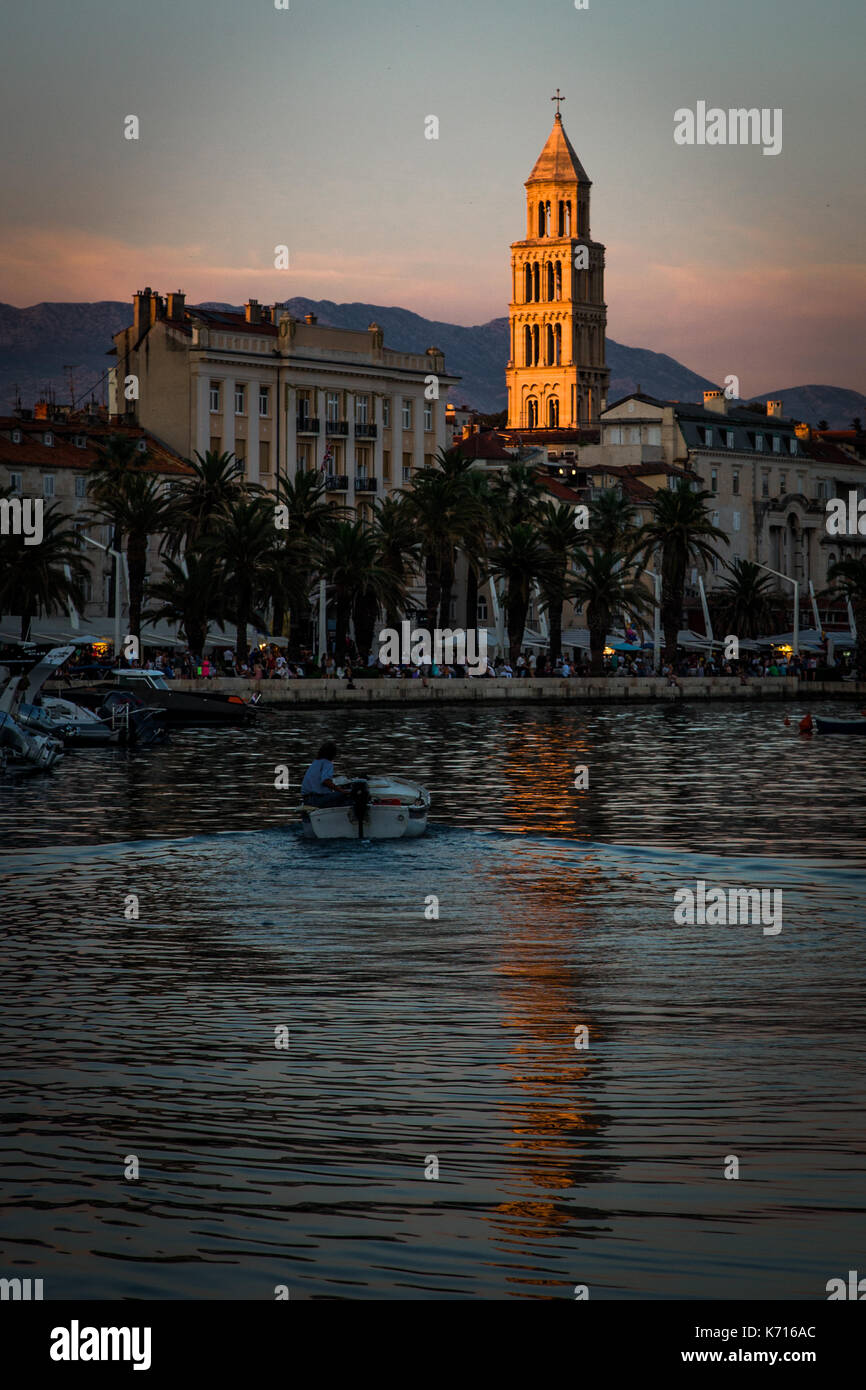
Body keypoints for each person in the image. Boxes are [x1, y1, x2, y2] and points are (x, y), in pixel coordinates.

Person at [301, 741, 351, 807]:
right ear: (333, 754)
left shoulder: (315, 763)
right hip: (317, 800)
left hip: (307, 800)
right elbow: (325, 781)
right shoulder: (327, 763)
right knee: (350, 795)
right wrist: (341, 791)